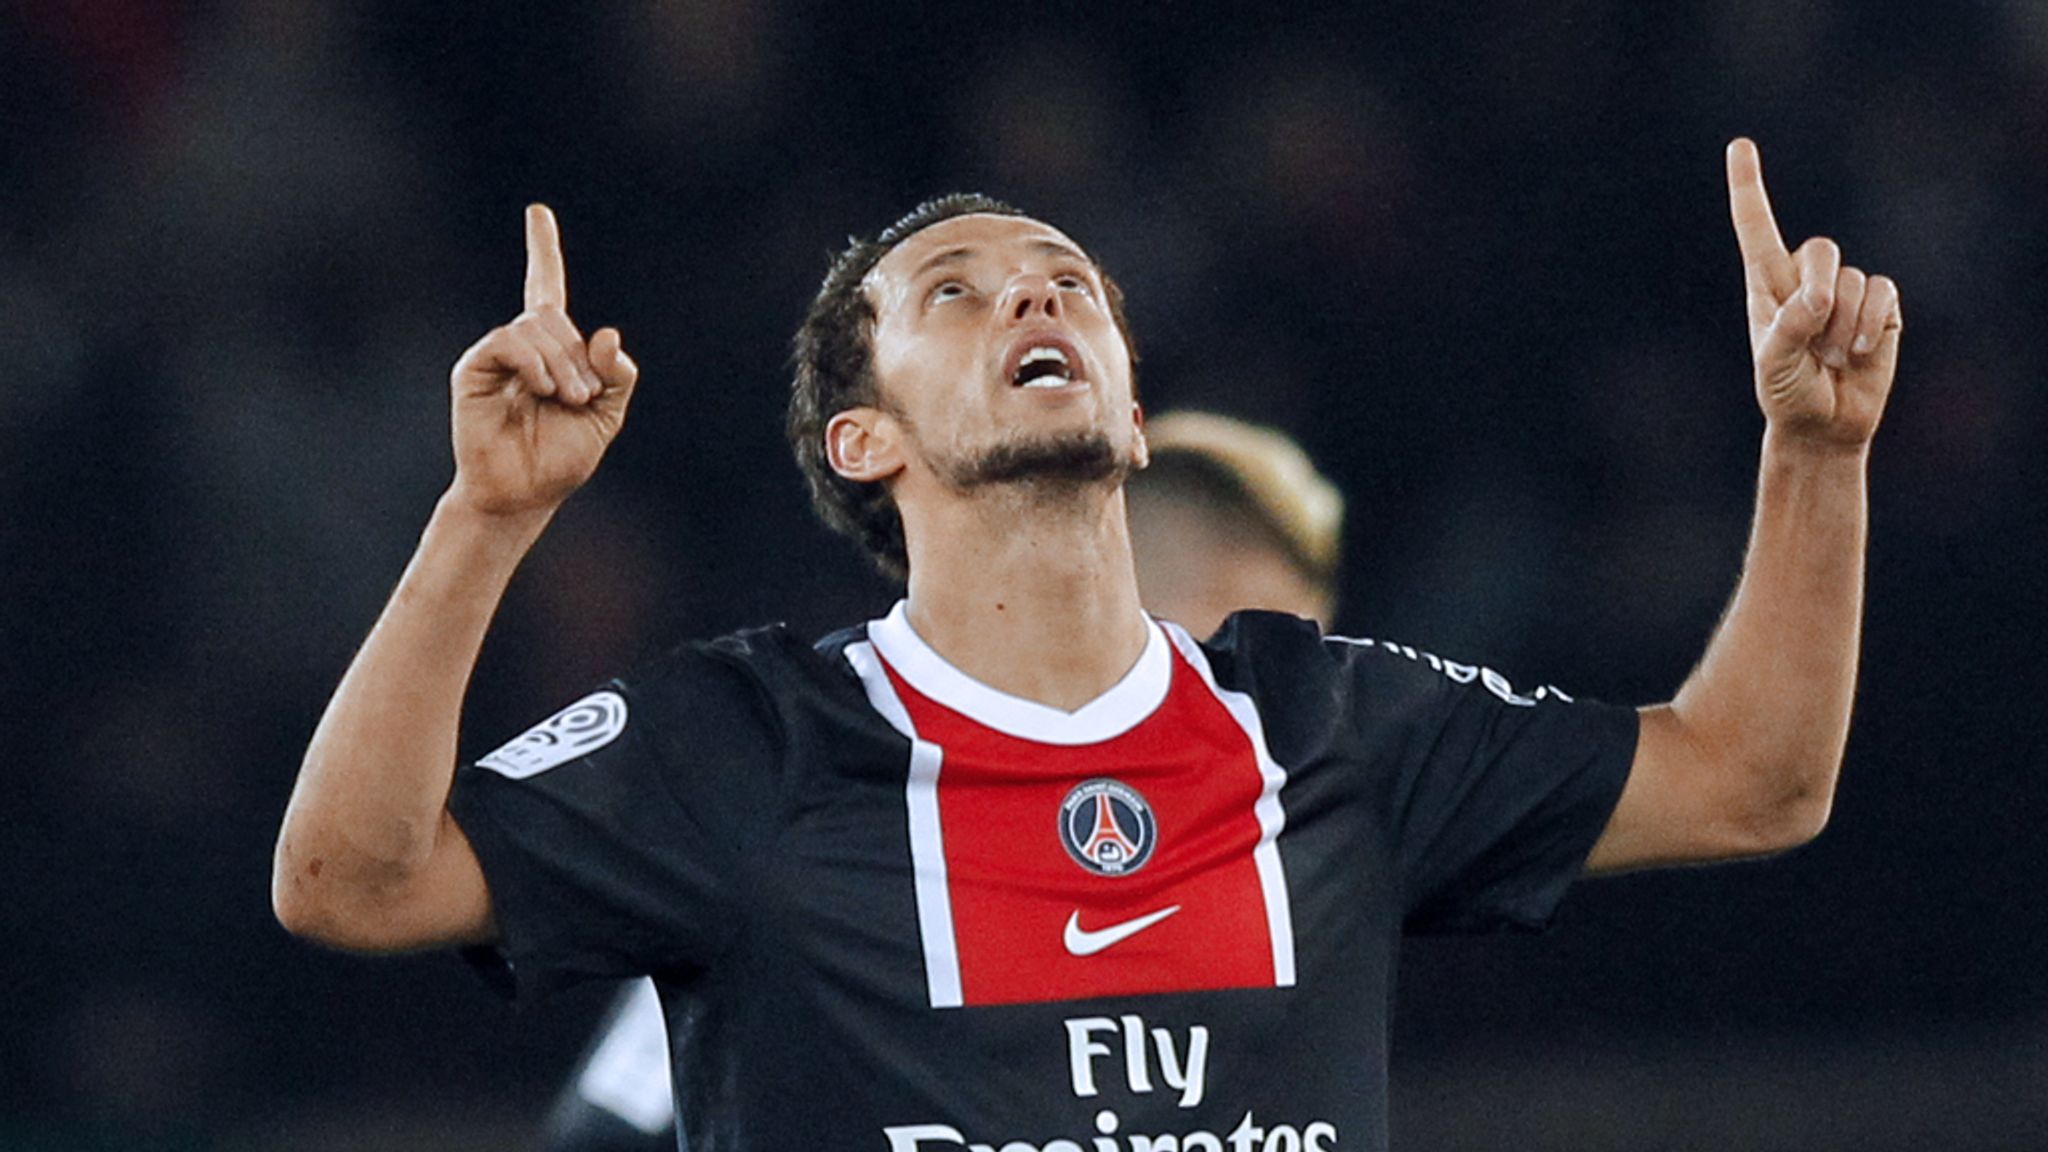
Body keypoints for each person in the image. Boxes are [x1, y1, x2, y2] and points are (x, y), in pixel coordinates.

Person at [273, 138, 1901, 1152]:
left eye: (1068, 284)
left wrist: (1815, 455)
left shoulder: (1326, 725)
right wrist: (484, 520)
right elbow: (345, 880)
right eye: (954, 293)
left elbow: (1753, 781)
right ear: (862, 440)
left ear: (1129, 411)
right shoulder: (750, 745)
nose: (1032, 299)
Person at [545, 411, 1347, 1151]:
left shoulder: (1272, 885)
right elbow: (609, 1133)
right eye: (1223, 654)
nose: (1259, 707)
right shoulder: (834, 822)